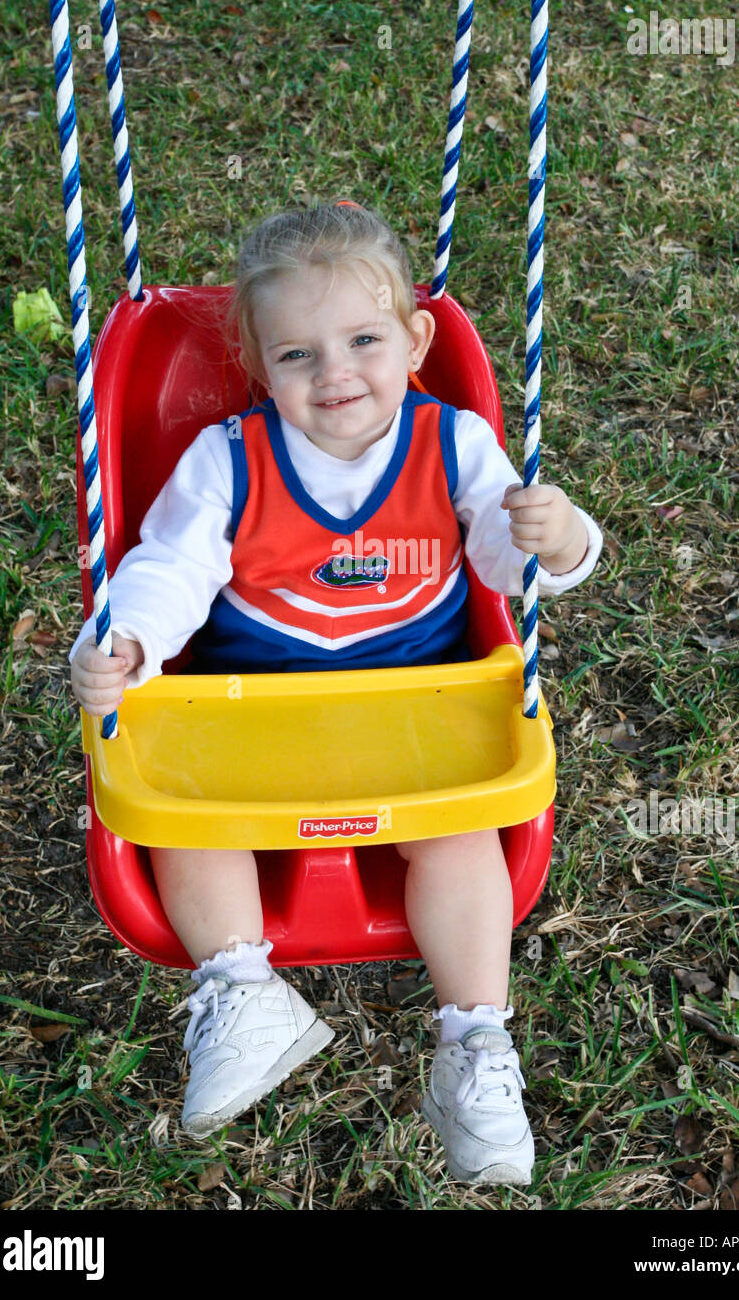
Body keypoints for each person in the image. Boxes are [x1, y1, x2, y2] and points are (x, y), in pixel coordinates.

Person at [69, 201, 604, 1186]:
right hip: (247, 699)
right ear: (257, 364)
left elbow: (502, 551)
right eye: (297, 356)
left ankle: (474, 1044)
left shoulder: (453, 444)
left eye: (362, 341)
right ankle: (242, 990)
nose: (336, 375)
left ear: (414, 341)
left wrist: (557, 535)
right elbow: (171, 567)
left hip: (417, 697)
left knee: (456, 838)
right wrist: (132, 637)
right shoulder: (226, 459)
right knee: (193, 820)